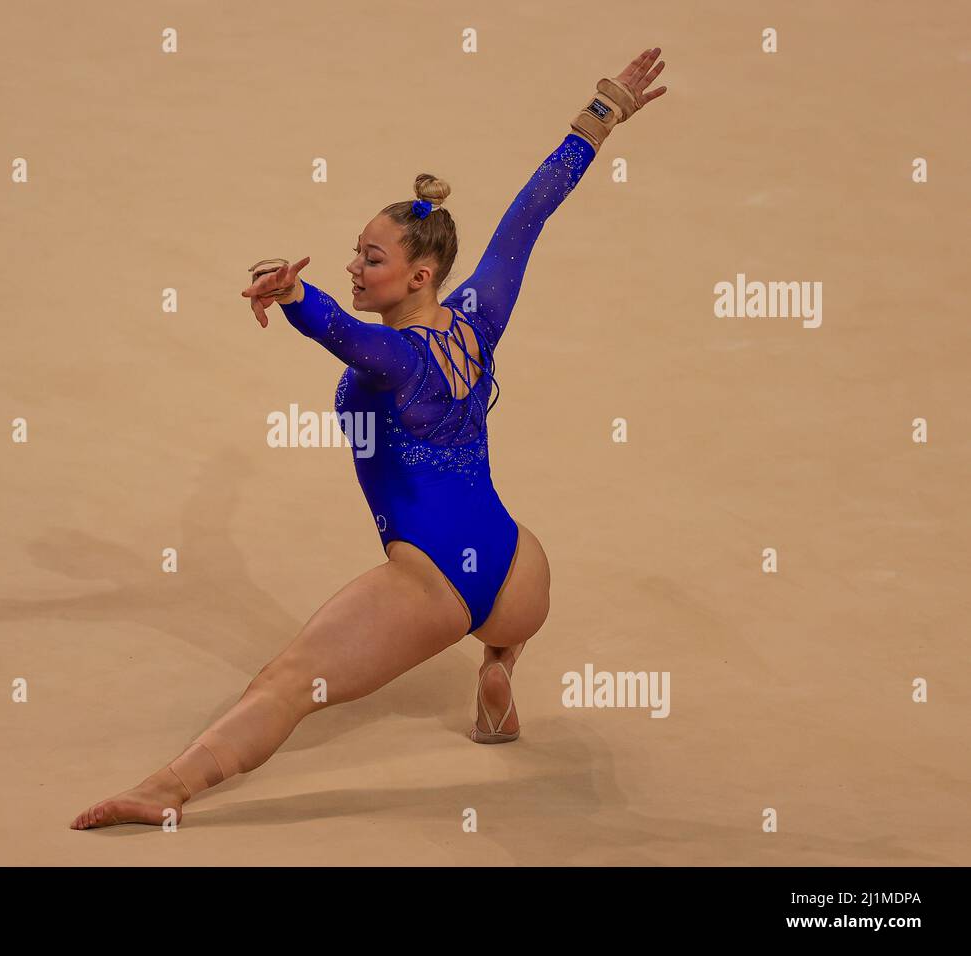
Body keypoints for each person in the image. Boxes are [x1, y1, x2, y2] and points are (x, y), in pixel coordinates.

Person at [72, 48, 667, 829]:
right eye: (357, 253)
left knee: (286, 681)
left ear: (420, 276)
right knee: (494, 623)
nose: (356, 266)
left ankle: (165, 790)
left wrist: (294, 295)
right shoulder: (477, 320)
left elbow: (345, 336)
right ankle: (498, 671)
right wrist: (603, 114)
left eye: (372, 258)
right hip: (520, 571)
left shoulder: (398, 359)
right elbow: (529, 213)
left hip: (432, 585)